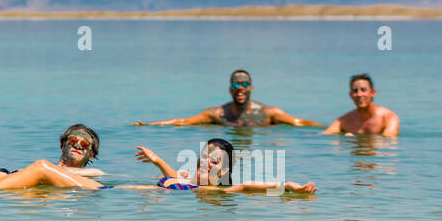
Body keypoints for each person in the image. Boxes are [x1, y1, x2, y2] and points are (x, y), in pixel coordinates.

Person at [132, 70, 325, 128]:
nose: (239, 88)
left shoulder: (268, 113)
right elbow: (184, 121)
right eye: (235, 85)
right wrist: (150, 124)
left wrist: (329, 128)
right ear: (229, 90)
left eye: (243, 84)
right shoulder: (217, 114)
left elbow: (299, 122)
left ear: (250, 88)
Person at [134, 140, 316, 192]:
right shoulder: (187, 179)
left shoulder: (220, 191)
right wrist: (157, 161)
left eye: (213, 161)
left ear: (224, 170)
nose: (205, 162)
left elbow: (247, 185)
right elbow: (174, 177)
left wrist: (290, 186)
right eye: (203, 157)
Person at [322, 74, 399, 136]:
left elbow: (389, 142)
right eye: (355, 91)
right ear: (350, 95)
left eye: (363, 90)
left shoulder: (388, 117)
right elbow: (323, 135)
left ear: (373, 93)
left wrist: (354, 140)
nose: (359, 94)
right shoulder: (342, 121)